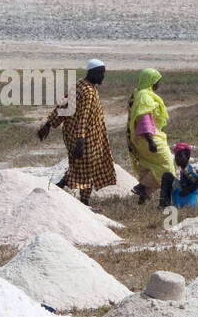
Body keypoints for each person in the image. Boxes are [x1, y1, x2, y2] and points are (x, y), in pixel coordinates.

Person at [37, 59, 115, 206]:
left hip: (71, 134)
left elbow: (63, 107)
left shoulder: (79, 85)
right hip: (85, 137)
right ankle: (84, 202)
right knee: (88, 168)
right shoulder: (89, 92)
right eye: (101, 73)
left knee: (78, 166)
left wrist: (48, 124)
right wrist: (80, 140)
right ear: (93, 73)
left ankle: (58, 187)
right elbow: (83, 118)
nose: (103, 76)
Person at [126, 68, 177, 207]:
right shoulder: (145, 97)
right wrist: (151, 141)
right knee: (167, 166)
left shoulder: (138, 93)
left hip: (139, 138)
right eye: (157, 81)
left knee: (148, 167)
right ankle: (142, 187)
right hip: (147, 137)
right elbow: (144, 119)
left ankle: (143, 198)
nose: (158, 84)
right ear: (151, 81)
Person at [170, 143, 198, 208]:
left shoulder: (187, 171)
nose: (177, 159)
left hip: (187, 198)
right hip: (188, 192)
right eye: (176, 156)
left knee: (167, 178)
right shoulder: (188, 168)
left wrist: (188, 190)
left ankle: (164, 203)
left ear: (187, 157)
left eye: (180, 156)